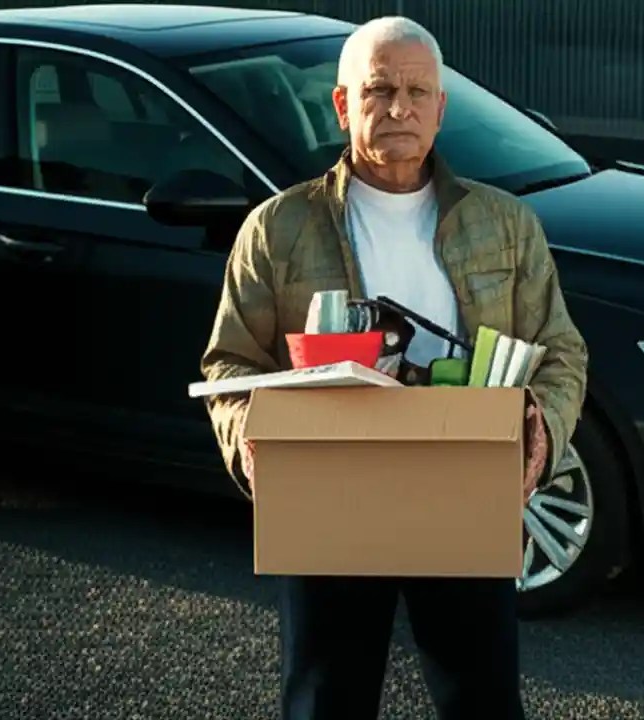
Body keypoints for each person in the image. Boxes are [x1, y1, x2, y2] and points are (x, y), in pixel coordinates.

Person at [199, 15, 588, 720]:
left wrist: (543, 428)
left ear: (441, 108)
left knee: (484, 703)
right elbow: (230, 361)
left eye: (417, 91)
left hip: (463, 484)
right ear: (344, 104)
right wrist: (248, 441)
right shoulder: (276, 228)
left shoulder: (506, 224)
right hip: (329, 492)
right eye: (378, 90)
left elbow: (561, 350)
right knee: (325, 703)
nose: (399, 108)